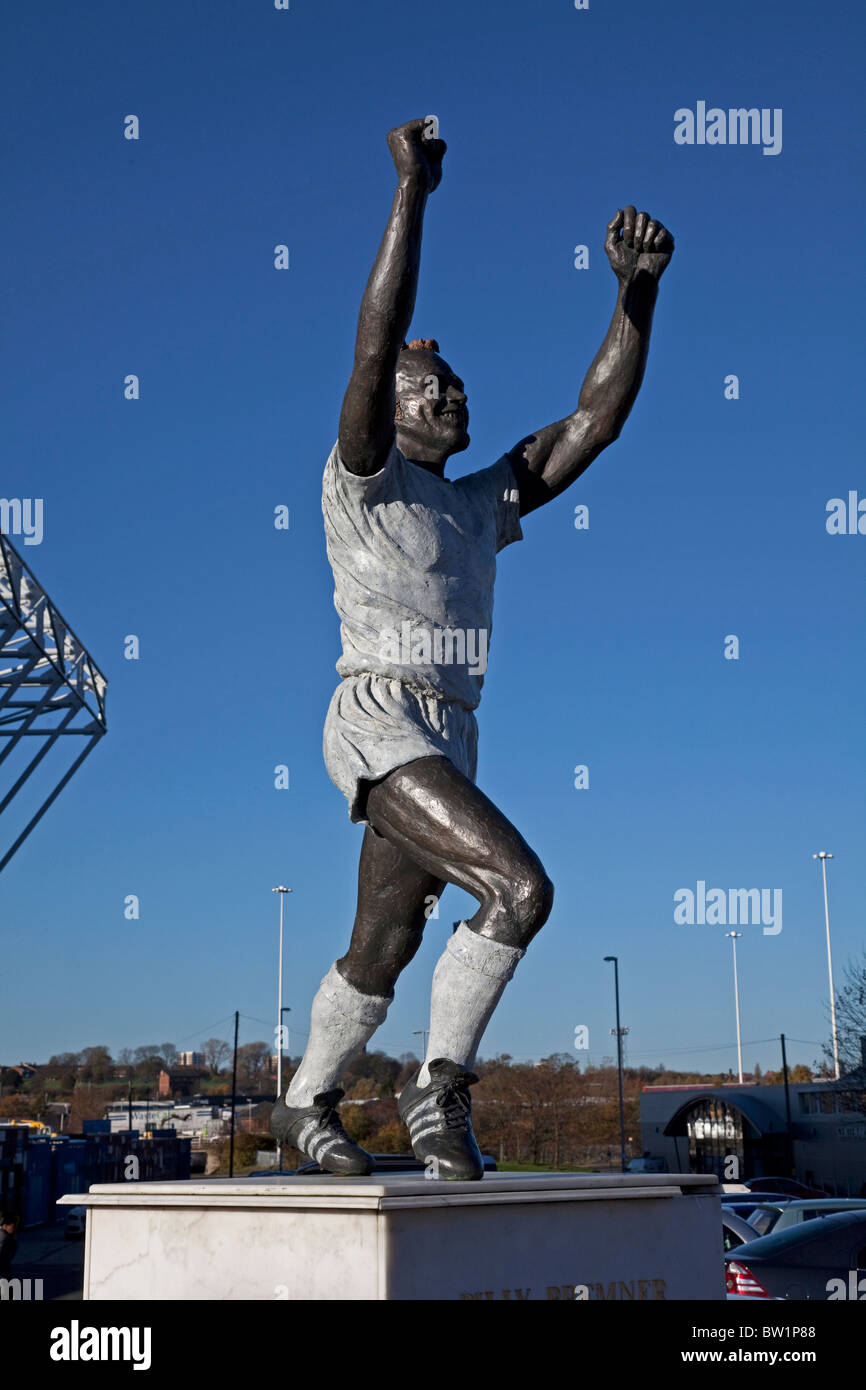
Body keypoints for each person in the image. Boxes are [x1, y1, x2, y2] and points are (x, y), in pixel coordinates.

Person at [271, 117, 674, 1179]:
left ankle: (304, 1098)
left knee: (385, 944)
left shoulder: (478, 502)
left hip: (449, 730)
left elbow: (592, 421)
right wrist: (414, 191)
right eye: (427, 389)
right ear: (389, 412)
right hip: (378, 714)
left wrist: (632, 296)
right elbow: (376, 334)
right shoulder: (362, 478)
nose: (448, 395)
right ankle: (434, 1091)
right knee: (519, 889)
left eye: (455, 390)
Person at [0, 1212, 19, 1277]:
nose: (15, 1229)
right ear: (5, 1226)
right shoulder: (4, 1236)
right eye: (13, 1227)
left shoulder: (8, 1236)